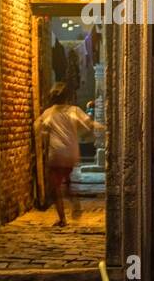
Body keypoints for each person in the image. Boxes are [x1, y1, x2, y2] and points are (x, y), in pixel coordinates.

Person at [35, 82, 103, 227]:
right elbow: (89, 124)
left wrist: (44, 134)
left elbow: (37, 126)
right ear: (67, 97)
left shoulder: (49, 112)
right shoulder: (74, 110)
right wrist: (102, 128)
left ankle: (62, 218)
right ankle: (74, 201)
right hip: (71, 153)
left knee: (55, 187)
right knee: (67, 179)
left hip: (56, 153)